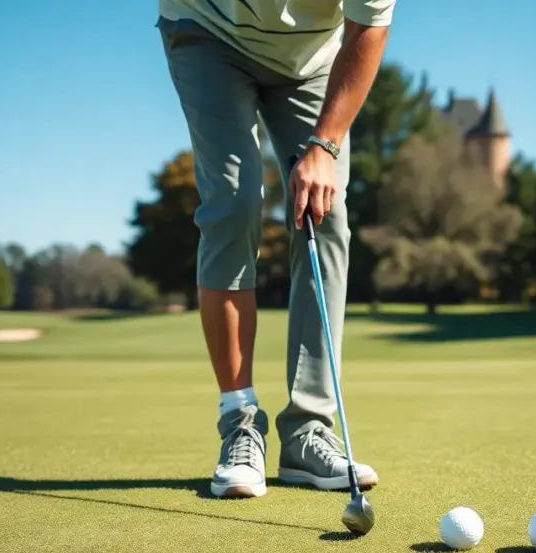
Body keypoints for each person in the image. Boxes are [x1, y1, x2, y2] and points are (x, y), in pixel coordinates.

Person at [156, 0, 394, 498]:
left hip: (313, 58)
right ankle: (239, 423)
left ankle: (308, 429)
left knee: (325, 214)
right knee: (234, 203)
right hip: (208, 30)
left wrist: (324, 148)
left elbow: (369, 29)